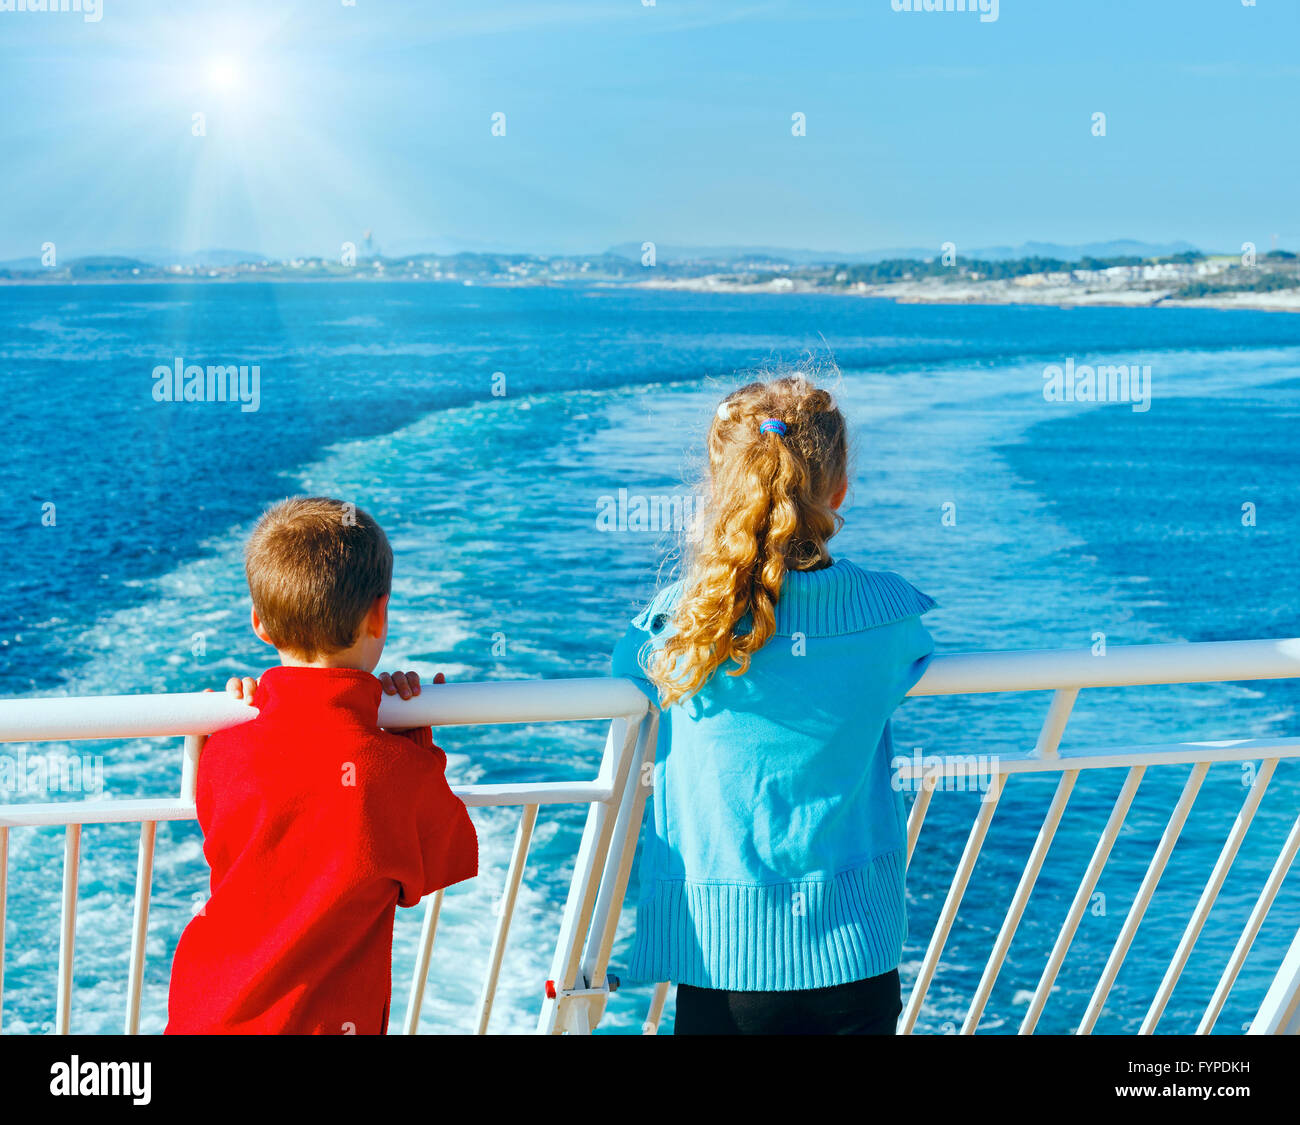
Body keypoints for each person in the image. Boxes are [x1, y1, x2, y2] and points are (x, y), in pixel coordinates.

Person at [611, 375, 936, 1034]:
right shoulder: (887, 612)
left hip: (725, 962)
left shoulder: (681, 623)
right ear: (839, 491)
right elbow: (904, 661)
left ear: (720, 489)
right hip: (856, 958)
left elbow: (626, 673)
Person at [166, 496, 477, 1034]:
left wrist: (243, 713)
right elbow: (446, 859)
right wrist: (414, 742)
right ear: (379, 614)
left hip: (205, 1016)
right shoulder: (396, 772)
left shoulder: (226, 750)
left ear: (260, 624)